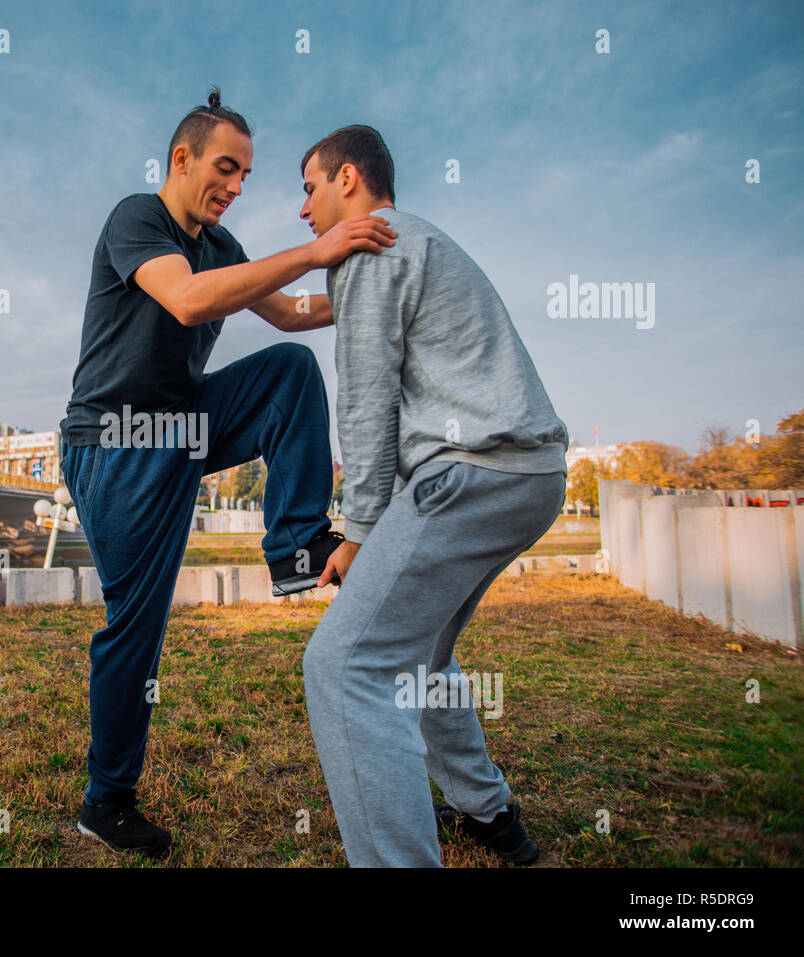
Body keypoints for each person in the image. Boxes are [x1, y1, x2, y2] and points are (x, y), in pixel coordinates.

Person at [59, 90, 396, 855]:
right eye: (226, 168)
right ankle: (105, 801)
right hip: (114, 441)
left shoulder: (224, 243)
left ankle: (296, 546)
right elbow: (185, 300)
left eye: (245, 174)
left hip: (182, 428)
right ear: (182, 159)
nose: (237, 186)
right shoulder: (136, 220)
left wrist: (374, 277)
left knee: (289, 373)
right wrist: (315, 248)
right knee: (135, 629)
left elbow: (291, 314)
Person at [298, 124, 569, 867]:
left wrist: (357, 531)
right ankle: (488, 813)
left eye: (308, 186)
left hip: (470, 472)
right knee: (422, 650)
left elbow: (365, 397)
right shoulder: (417, 242)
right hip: (531, 476)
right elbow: (293, 313)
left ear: (348, 178)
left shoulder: (369, 247)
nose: (303, 208)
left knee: (345, 665)